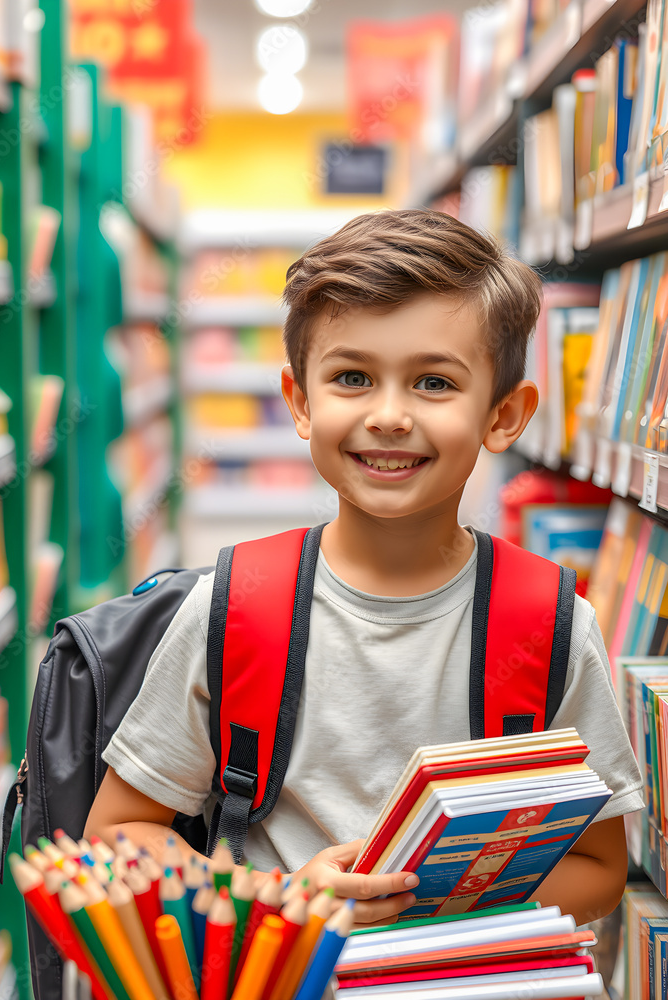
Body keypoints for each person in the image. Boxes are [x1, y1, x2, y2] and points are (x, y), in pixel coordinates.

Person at [85, 209, 643, 928]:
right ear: (300, 401)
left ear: (504, 416)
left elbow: (600, 869)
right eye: (352, 377)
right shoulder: (235, 609)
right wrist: (277, 898)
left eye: (434, 384)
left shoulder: (552, 625)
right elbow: (118, 833)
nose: (388, 415)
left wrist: (426, 904)